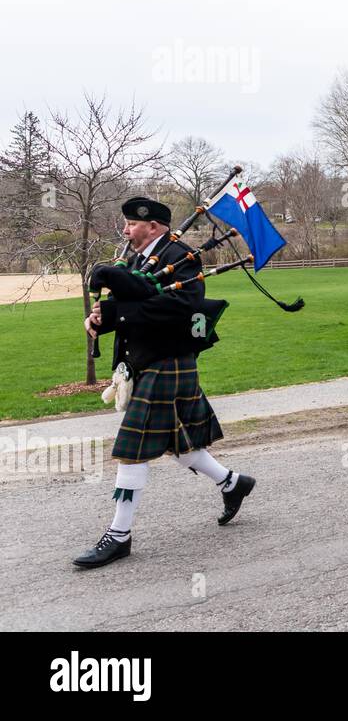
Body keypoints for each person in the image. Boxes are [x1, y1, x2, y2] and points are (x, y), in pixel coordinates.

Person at [77, 197, 255, 568]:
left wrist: (119, 311)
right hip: (143, 361)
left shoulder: (183, 256)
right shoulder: (138, 259)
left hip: (169, 361)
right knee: (181, 444)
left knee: (132, 448)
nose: (125, 231)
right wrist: (101, 319)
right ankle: (232, 483)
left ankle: (119, 534)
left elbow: (181, 309)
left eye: (131, 224)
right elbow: (130, 307)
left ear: (153, 226)